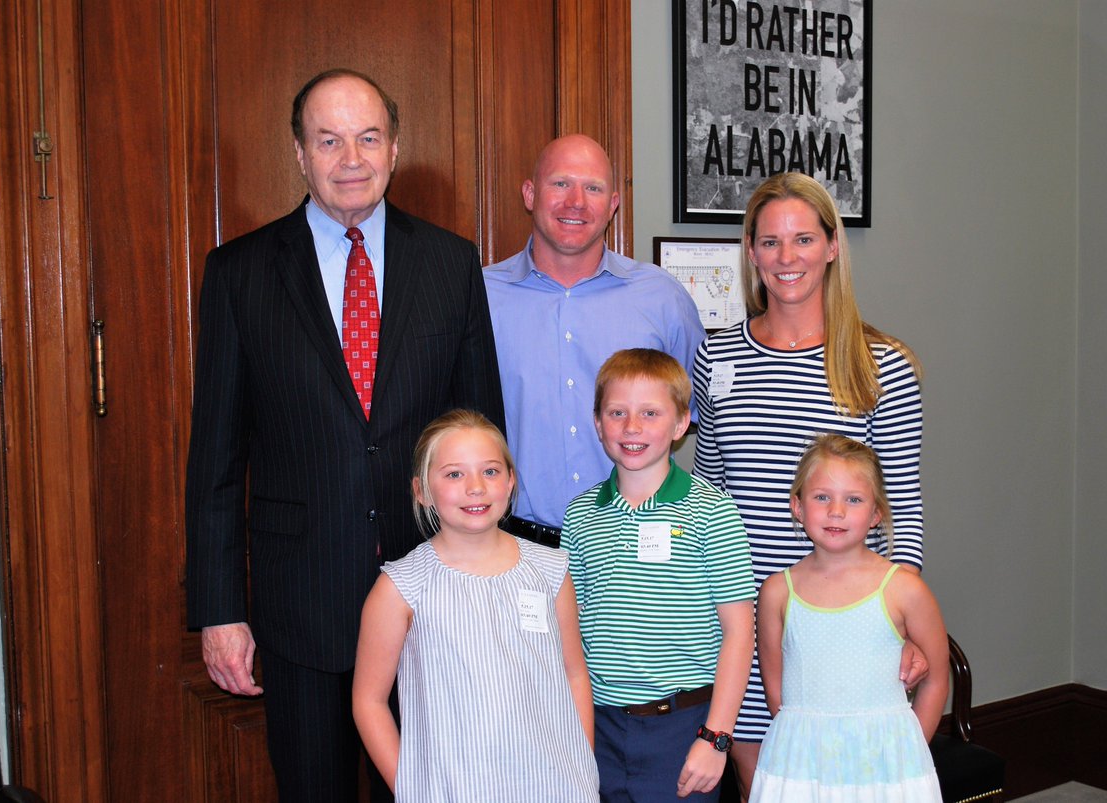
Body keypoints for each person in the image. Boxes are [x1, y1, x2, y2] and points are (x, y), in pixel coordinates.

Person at [183, 69, 505, 802]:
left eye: (367, 138)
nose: (350, 158)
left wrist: (489, 586)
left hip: (436, 606)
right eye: (328, 140)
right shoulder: (240, 273)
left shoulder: (450, 263)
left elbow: (482, 437)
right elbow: (216, 461)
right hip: (301, 615)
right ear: (300, 153)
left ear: (394, 148)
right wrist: (219, 608)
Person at [691, 172, 926, 796]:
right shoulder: (716, 358)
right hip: (743, 624)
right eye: (769, 242)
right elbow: (706, 491)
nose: (786, 258)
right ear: (751, 252)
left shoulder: (883, 365)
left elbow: (901, 503)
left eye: (802, 239)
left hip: (845, 630)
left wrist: (903, 625)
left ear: (831, 247)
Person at [351, 409, 598, 801]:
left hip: (554, 786)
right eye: (453, 474)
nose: (476, 487)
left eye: (490, 471)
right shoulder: (400, 587)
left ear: (511, 480)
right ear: (422, 490)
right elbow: (368, 701)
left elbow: (574, 674)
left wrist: (582, 765)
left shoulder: (551, 569)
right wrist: (412, 787)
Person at [484, 134, 705, 546]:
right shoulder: (481, 297)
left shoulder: (661, 298)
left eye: (593, 188)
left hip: (638, 545)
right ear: (530, 194)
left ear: (613, 204)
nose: (576, 202)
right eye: (561, 184)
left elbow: (693, 407)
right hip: (516, 547)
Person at [561, 348, 756, 802]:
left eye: (650, 413)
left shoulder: (712, 512)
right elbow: (572, 629)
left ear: (681, 423)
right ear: (597, 422)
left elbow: (738, 634)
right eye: (617, 412)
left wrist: (716, 738)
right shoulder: (580, 516)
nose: (632, 427)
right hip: (599, 724)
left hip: (684, 727)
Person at [750, 434, 947, 801]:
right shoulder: (777, 591)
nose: (836, 511)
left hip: (886, 769)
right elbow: (778, 693)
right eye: (822, 497)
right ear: (798, 506)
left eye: (853, 500)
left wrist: (907, 749)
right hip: (800, 770)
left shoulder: (903, 589)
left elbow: (935, 680)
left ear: (876, 514)